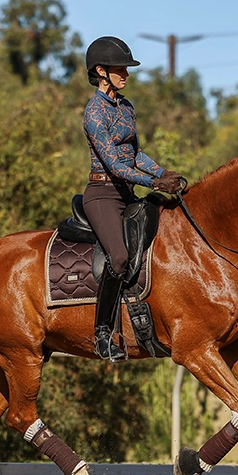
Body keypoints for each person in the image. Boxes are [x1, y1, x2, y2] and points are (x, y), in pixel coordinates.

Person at [82, 36, 186, 362]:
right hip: (102, 195)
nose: (126, 74)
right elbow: (114, 164)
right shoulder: (93, 113)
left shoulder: (125, 106)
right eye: (119, 69)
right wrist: (153, 181)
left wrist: (165, 173)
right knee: (119, 259)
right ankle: (102, 334)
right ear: (101, 71)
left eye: (126, 68)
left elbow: (136, 154)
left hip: (128, 192)